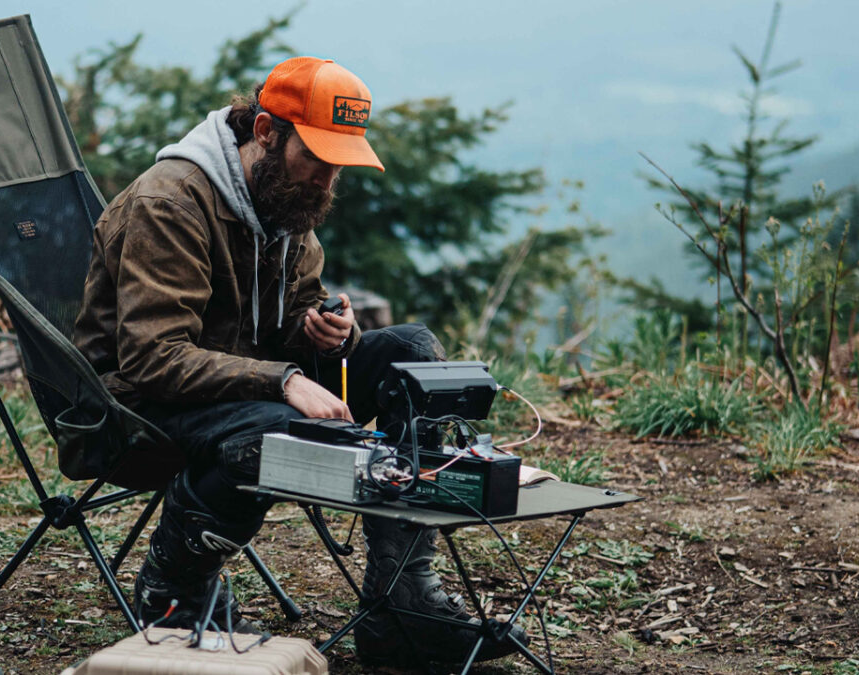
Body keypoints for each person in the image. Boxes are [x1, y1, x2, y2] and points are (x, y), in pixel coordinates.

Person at [73, 56, 527, 667]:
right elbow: (153, 357)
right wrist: (283, 379)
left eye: (339, 163)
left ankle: (402, 605)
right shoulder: (171, 202)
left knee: (412, 355)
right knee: (277, 429)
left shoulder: (286, 202)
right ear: (265, 132)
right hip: (137, 406)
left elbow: (286, 320)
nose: (327, 178)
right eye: (316, 157)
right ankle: (173, 593)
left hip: (241, 390)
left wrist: (324, 335)